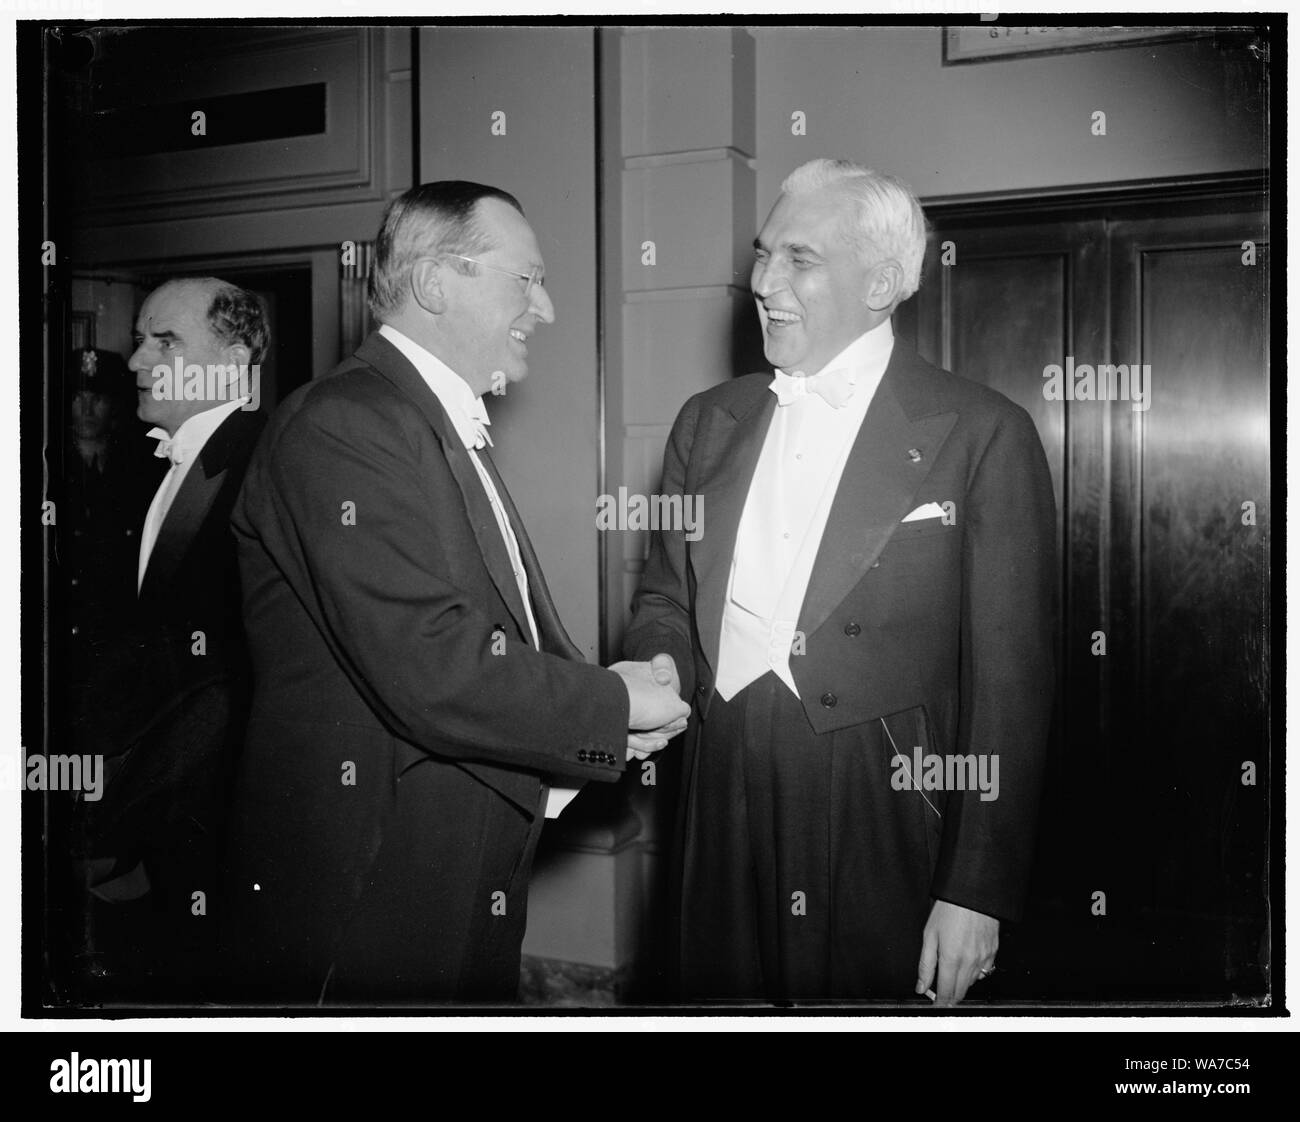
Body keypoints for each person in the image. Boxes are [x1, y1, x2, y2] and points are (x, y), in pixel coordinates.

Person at [224, 180, 688, 1004]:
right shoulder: (344, 423)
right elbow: (429, 662)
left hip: (448, 867)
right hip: (370, 888)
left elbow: (504, 638)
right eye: (527, 279)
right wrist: (607, 710)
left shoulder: (425, 422)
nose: (544, 309)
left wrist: (605, 725)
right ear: (437, 282)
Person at [624, 158, 1057, 1006]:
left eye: (800, 258)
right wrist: (659, 664)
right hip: (721, 778)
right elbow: (664, 597)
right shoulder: (706, 421)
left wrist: (975, 887)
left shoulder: (982, 432)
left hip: (885, 801)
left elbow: (1013, 684)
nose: (761, 281)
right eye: (762, 254)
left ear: (884, 282)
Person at [76, 278, 268, 998]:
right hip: (141, 826)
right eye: (139, 339)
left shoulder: (273, 459)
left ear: (236, 354)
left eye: (165, 341)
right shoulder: (136, 465)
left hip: (219, 825)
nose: (134, 361)